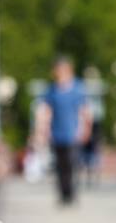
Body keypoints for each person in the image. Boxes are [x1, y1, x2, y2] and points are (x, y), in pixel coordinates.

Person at [37, 57, 92, 204]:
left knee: (72, 164)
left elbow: (85, 110)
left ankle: (72, 193)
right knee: (60, 165)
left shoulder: (77, 88)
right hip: (57, 133)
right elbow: (46, 110)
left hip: (73, 133)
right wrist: (43, 129)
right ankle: (63, 194)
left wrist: (86, 128)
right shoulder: (52, 89)